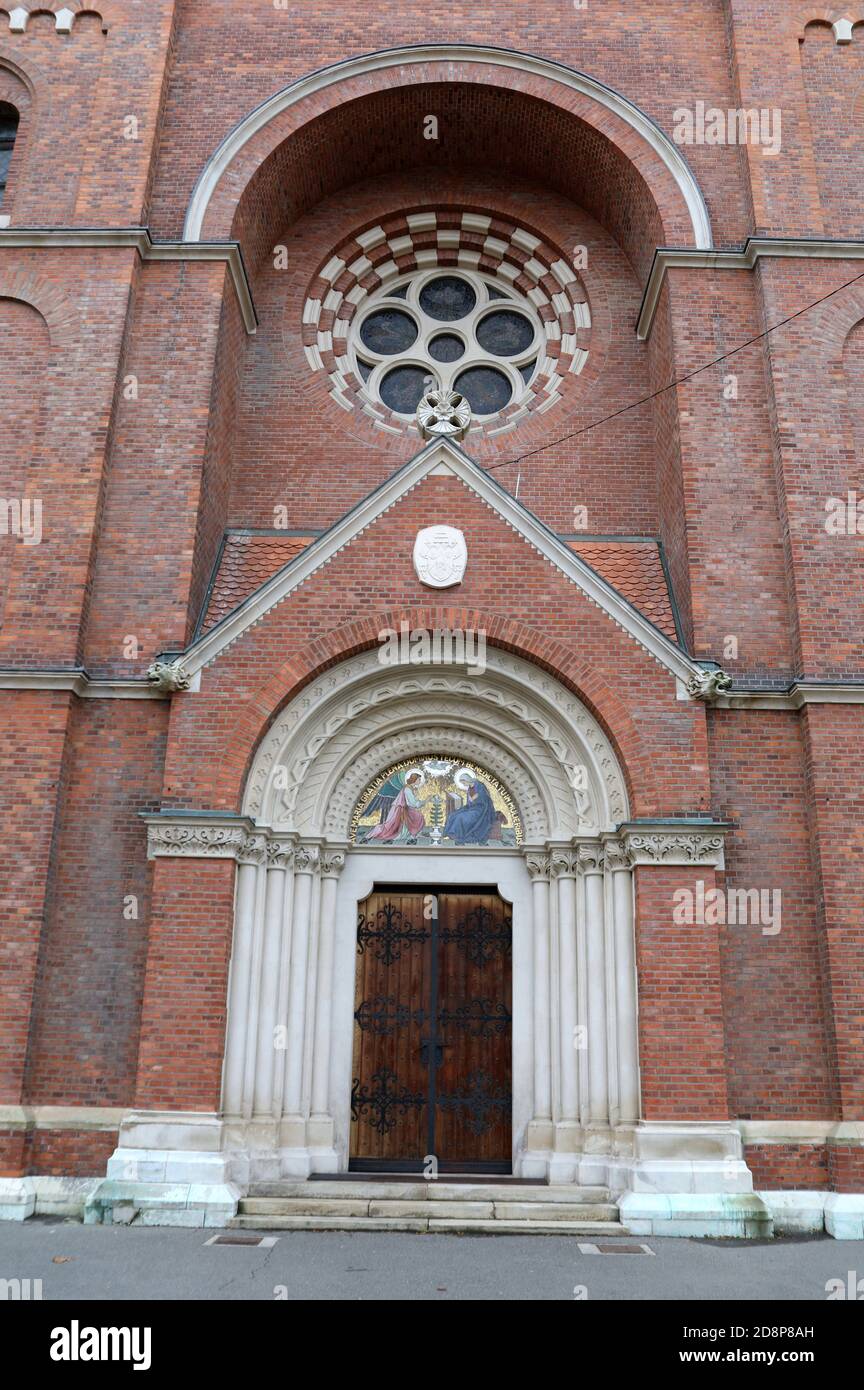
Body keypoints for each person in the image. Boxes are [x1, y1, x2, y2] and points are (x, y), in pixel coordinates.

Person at [365, 772, 426, 843]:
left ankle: (412, 833)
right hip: (402, 810)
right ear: (414, 780)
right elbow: (413, 803)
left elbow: (412, 802)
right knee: (419, 816)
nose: (420, 781)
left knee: (418, 816)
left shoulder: (410, 788)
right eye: (419, 779)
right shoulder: (407, 789)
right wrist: (425, 801)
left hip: (405, 809)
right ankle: (408, 834)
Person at [443, 778, 496, 844]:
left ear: (467, 780)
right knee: (453, 815)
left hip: (480, 810)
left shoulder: (479, 786)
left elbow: (482, 796)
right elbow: (470, 801)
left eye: (463, 782)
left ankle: (456, 835)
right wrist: (469, 803)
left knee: (461, 817)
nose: (463, 784)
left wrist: (474, 798)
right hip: (471, 808)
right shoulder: (469, 788)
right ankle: (449, 833)